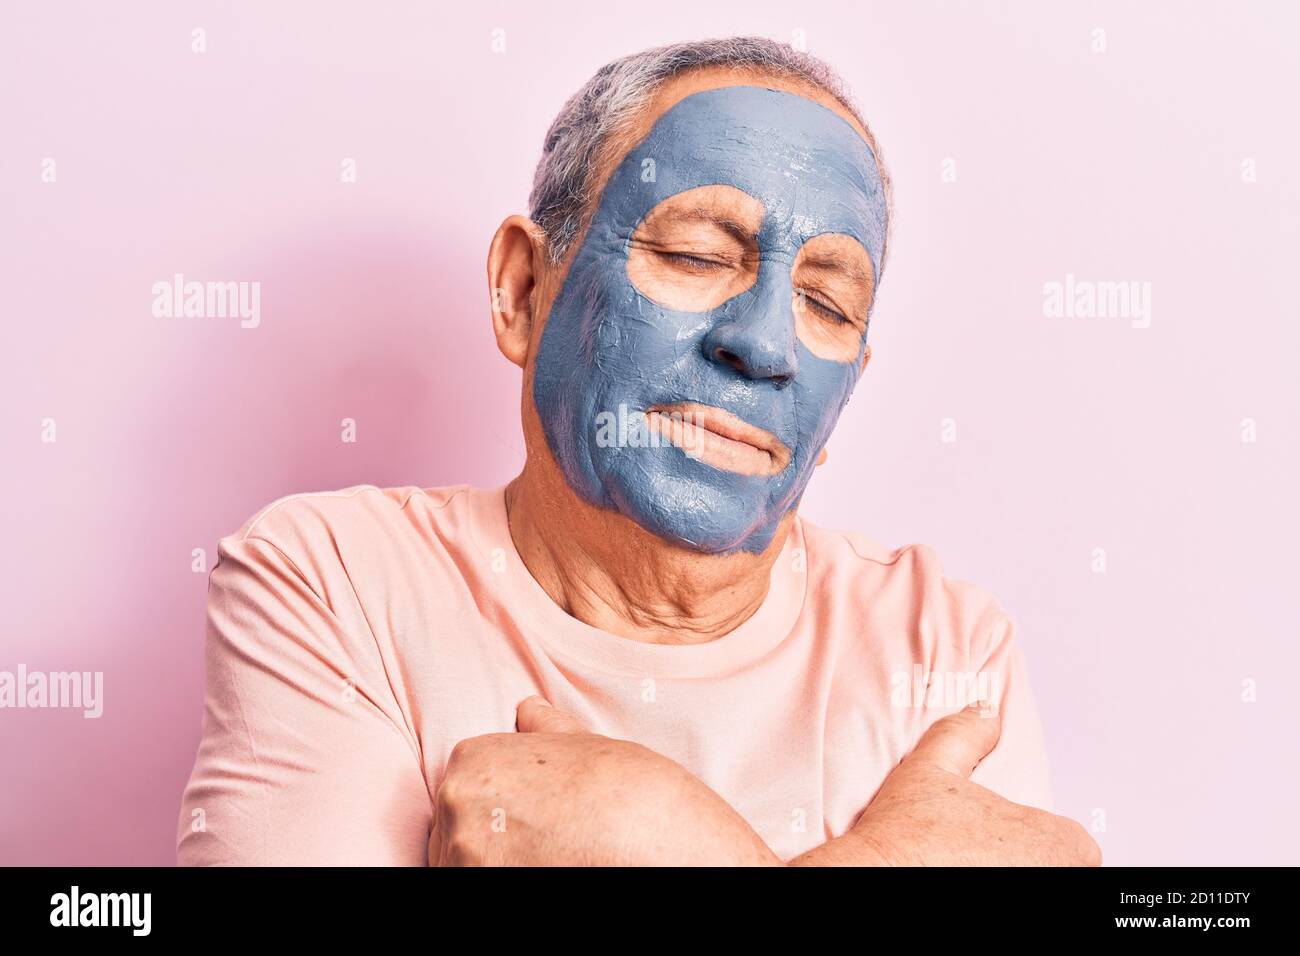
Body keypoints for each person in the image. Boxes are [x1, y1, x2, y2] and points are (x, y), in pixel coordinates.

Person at [177, 36, 1099, 866]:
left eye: (825, 303)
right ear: (523, 288)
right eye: (699, 255)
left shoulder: (942, 646)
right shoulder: (334, 582)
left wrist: (663, 838)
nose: (767, 346)